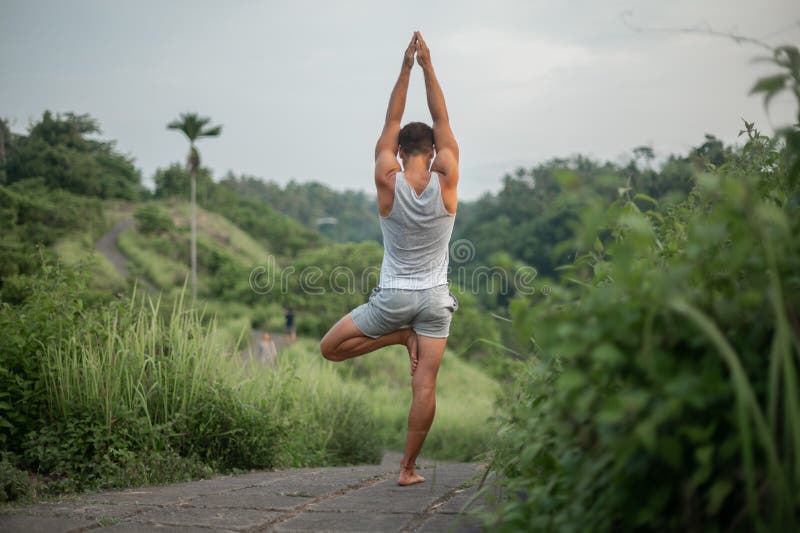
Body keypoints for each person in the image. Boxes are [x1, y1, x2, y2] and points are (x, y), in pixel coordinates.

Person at [320, 31, 459, 487]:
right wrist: (428, 66)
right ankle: (407, 469)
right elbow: (440, 115)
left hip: (394, 299)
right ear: (434, 152)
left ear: (399, 152)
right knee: (425, 387)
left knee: (330, 349)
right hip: (436, 301)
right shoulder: (448, 178)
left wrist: (404, 67)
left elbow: (391, 117)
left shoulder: (386, 177)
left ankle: (398, 336)